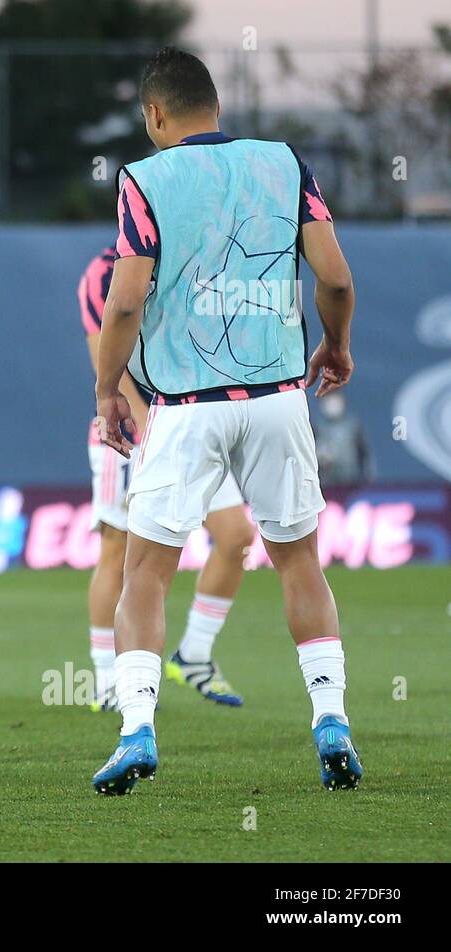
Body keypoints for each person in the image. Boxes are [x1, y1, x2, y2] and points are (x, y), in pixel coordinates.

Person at [92, 48, 362, 795]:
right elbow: (335, 276)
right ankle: (331, 720)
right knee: (299, 561)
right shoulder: (282, 161)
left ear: (153, 114)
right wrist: (335, 346)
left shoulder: (144, 179)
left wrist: (106, 388)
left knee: (145, 573)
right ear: (216, 106)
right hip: (278, 399)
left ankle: (137, 731)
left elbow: (123, 302)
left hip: (184, 409)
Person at [79, 246, 252, 710]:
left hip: (193, 426)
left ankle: (194, 654)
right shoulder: (102, 273)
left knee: (236, 536)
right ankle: (105, 679)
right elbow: (104, 358)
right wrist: (144, 426)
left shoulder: (192, 258)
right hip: (128, 434)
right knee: (117, 549)